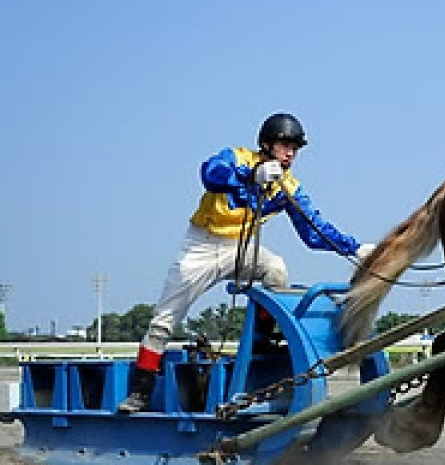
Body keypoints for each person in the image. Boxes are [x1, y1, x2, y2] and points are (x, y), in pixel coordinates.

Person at [117, 113, 374, 414]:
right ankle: (140, 392)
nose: (290, 153)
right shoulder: (236, 157)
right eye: (285, 145)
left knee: (275, 268)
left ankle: (261, 342)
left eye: (295, 148)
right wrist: (251, 175)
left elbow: (312, 230)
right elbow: (209, 173)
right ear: (265, 144)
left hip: (240, 249)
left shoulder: (287, 186)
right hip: (200, 246)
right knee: (164, 320)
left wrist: (355, 249)